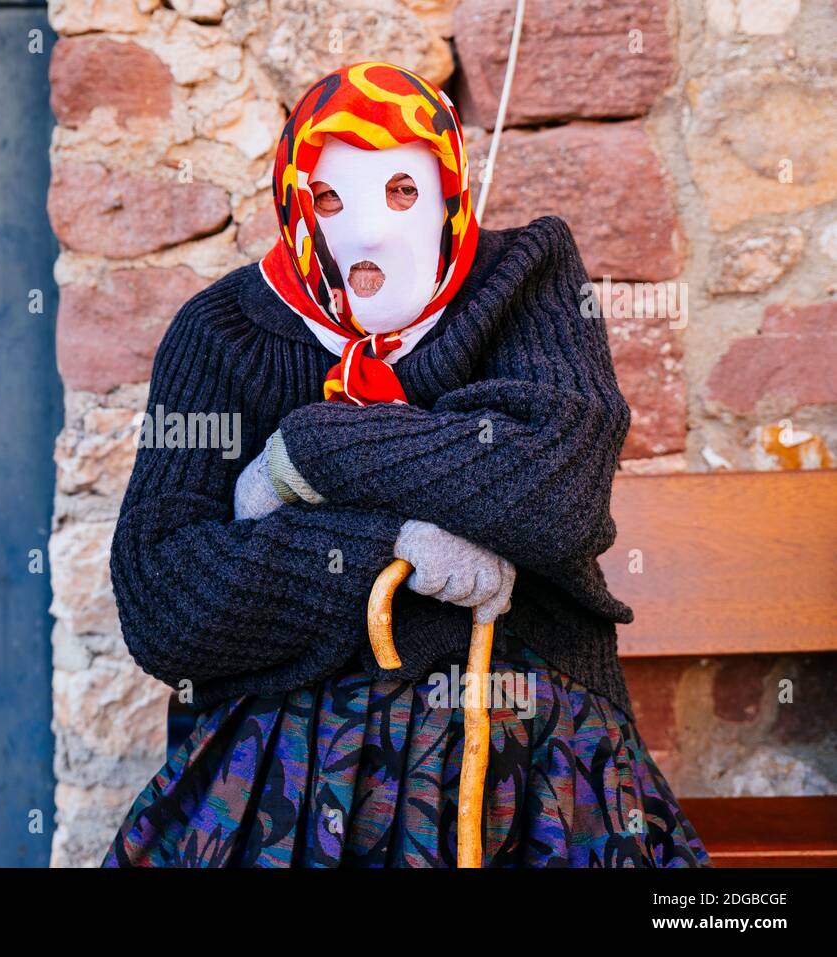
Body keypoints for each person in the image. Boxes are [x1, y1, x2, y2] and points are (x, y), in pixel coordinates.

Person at [102, 61, 709, 867]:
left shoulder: (525, 284)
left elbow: (554, 488)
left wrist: (307, 452)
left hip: (526, 730)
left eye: (401, 191)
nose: (371, 231)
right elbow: (164, 596)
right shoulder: (222, 333)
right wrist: (392, 550)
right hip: (284, 743)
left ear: (448, 189)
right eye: (330, 199)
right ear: (293, 202)